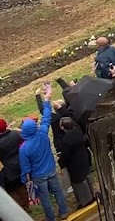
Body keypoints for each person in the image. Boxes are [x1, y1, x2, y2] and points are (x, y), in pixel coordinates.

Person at [20, 83, 70, 221]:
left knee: (45, 198)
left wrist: (25, 180)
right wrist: (47, 100)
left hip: (38, 176)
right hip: (51, 169)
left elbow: (25, 167)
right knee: (57, 191)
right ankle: (64, 211)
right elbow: (47, 117)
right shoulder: (42, 133)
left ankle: (50, 218)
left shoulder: (24, 148)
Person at [54, 116, 93, 209]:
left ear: (62, 127)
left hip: (74, 164)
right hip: (84, 158)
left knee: (79, 183)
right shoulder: (78, 131)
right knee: (87, 178)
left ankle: (85, 201)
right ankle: (92, 195)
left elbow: (66, 155)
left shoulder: (66, 140)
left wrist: (61, 161)